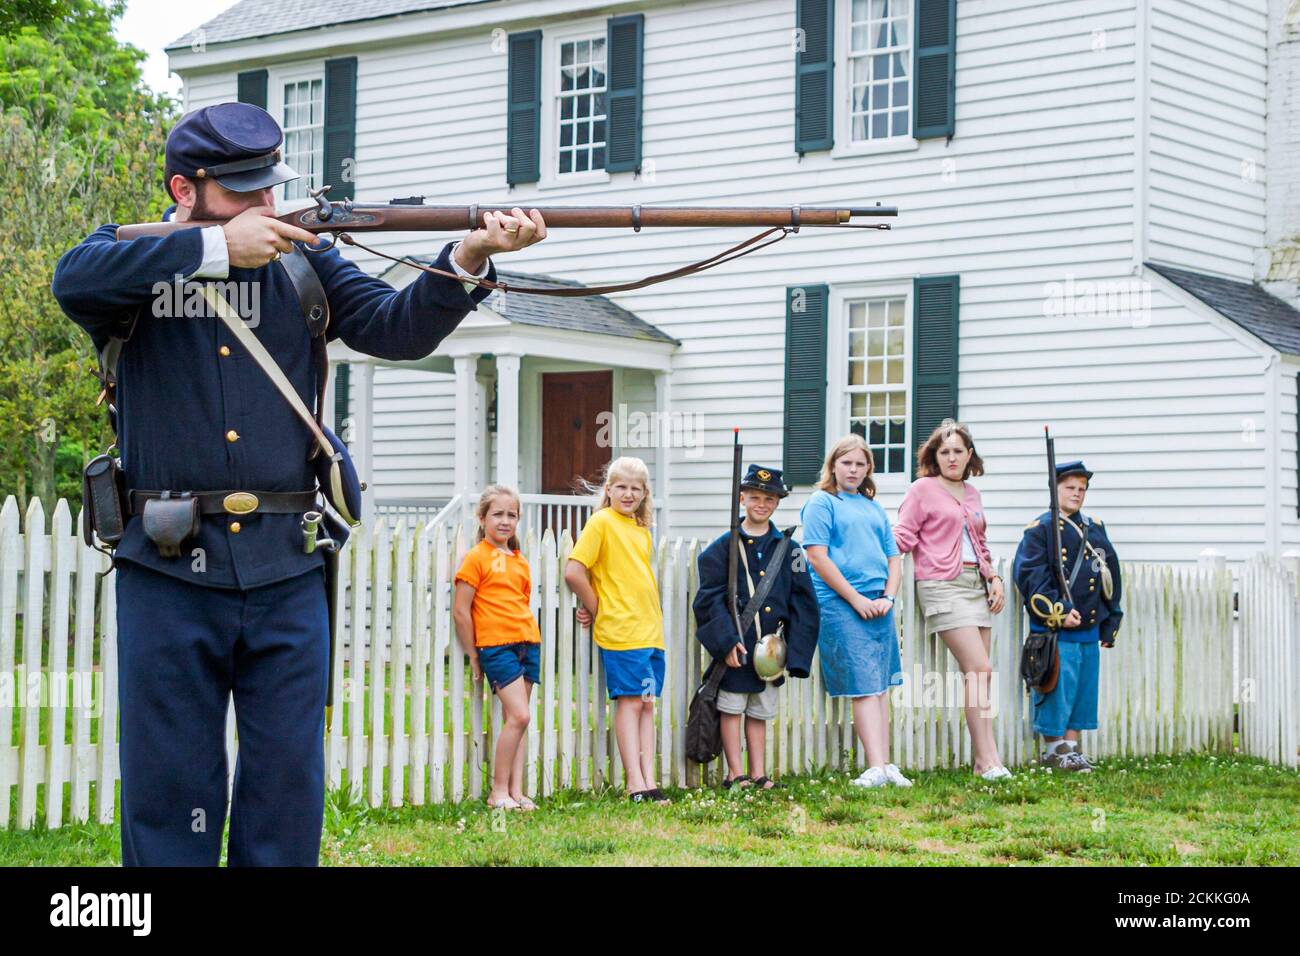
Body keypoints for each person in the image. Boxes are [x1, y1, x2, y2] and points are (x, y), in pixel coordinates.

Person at [51, 102, 545, 865]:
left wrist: (469, 257)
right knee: (169, 791)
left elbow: (395, 327)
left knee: (287, 789)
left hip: (288, 563)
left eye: (269, 188)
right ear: (185, 190)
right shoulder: (133, 261)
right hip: (166, 567)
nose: (265, 206)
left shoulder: (302, 264)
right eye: (243, 191)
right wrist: (214, 248)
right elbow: (72, 276)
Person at [893, 419, 1011, 780]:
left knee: (978, 677)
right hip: (941, 585)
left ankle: (983, 761)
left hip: (976, 585)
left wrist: (993, 577)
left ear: (969, 454)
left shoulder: (972, 494)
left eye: (958, 451)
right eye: (944, 452)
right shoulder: (922, 489)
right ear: (935, 456)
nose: (951, 457)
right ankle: (990, 760)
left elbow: (981, 543)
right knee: (980, 669)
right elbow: (901, 536)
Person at [692, 465, 819, 789]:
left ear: (777, 503)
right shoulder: (722, 548)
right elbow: (708, 600)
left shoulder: (791, 551)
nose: (761, 504)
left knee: (760, 712)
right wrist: (725, 642)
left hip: (770, 654)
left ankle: (759, 773)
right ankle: (736, 772)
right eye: (755, 497)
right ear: (742, 498)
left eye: (769, 498)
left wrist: (798, 658)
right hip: (737, 646)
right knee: (732, 709)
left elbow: (804, 604)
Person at [800, 435, 909, 788]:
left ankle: (886, 764)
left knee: (880, 686)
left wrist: (888, 598)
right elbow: (817, 555)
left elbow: (894, 557)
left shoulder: (872, 506)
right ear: (833, 464)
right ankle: (874, 766)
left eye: (861, 464)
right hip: (842, 603)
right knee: (862, 684)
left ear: (868, 469)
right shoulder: (822, 502)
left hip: (879, 604)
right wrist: (856, 599)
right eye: (847, 462)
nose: (853, 469)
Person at [564, 457, 669, 804]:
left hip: (650, 630)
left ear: (644, 494)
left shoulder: (640, 531)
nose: (628, 493)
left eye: (635, 489)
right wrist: (599, 609)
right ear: (608, 490)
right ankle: (634, 783)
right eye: (621, 487)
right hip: (622, 631)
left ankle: (649, 781)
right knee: (630, 703)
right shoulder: (601, 523)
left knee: (647, 704)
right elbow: (575, 571)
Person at [1013, 459, 1124, 772]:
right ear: (1055, 488)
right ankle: (1054, 748)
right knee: (1057, 687)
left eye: (1082, 489)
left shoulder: (1095, 528)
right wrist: (1058, 612)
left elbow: (1110, 575)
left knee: (1082, 690)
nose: (1077, 494)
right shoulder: (1041, 529)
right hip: (1055, 629)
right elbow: (1030, 575)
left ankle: (1071, 748)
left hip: (1089, 624)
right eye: (1070, 488)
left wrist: (1110, 621)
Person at [453, 486, 542, 811]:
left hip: (528, 642)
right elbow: (462, 611)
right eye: (498, 514)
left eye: (512, 515)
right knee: (520, 715)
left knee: (516, 719)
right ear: (482, 518)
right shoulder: (476, 557)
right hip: (497, 646)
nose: (505, 521)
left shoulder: (519, 561)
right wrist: (474, 655)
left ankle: (516, 793)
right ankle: (498, 791)